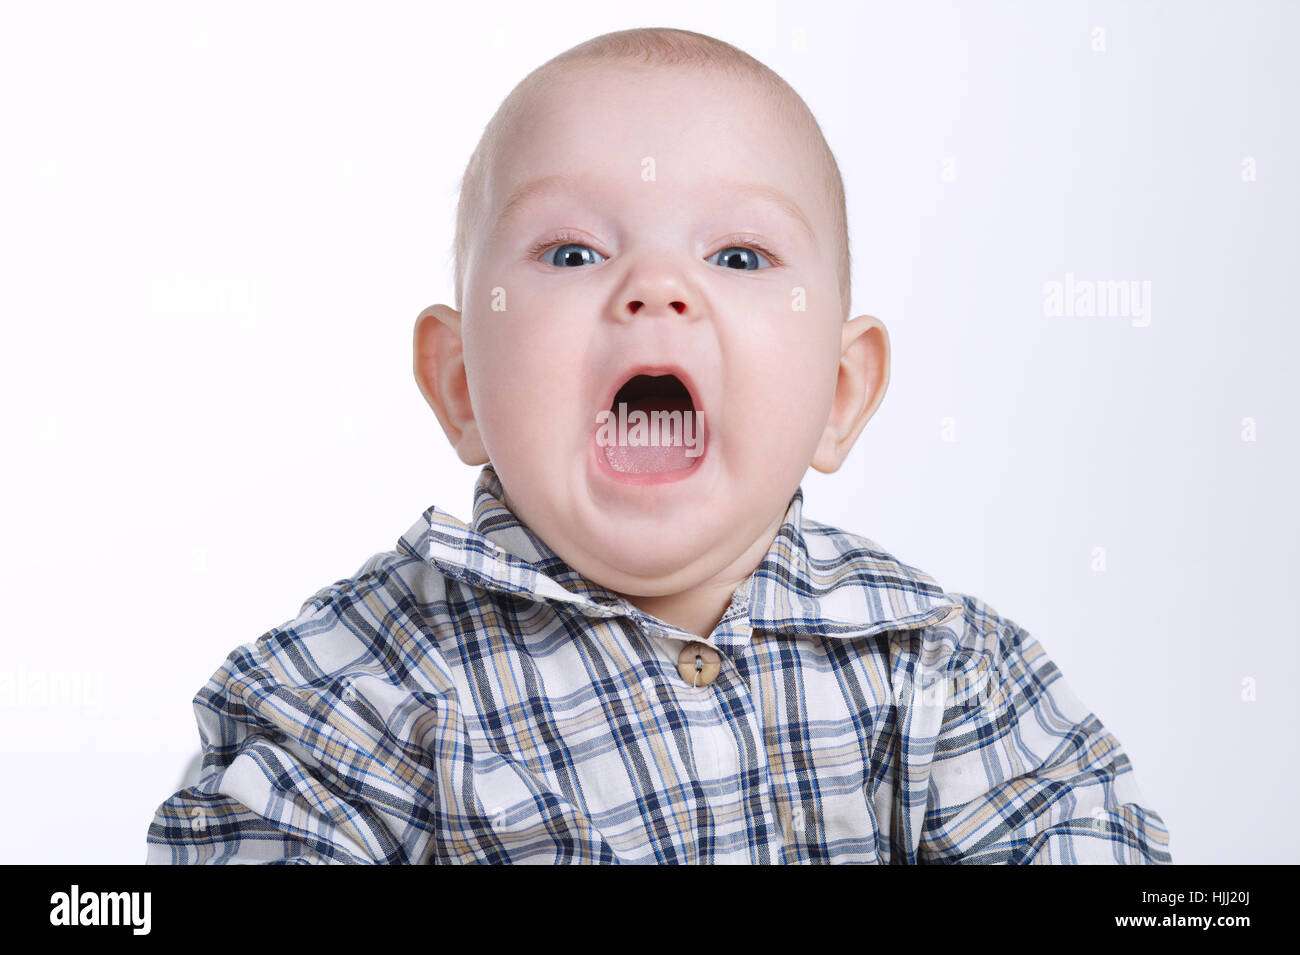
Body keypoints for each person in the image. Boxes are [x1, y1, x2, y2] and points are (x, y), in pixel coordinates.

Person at [146, 27, 1171, 864]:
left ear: (839, 395)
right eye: (573, 250)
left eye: (737, 253)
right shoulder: (348, 699)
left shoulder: (936, 669)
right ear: (461, 386)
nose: (655, 286)